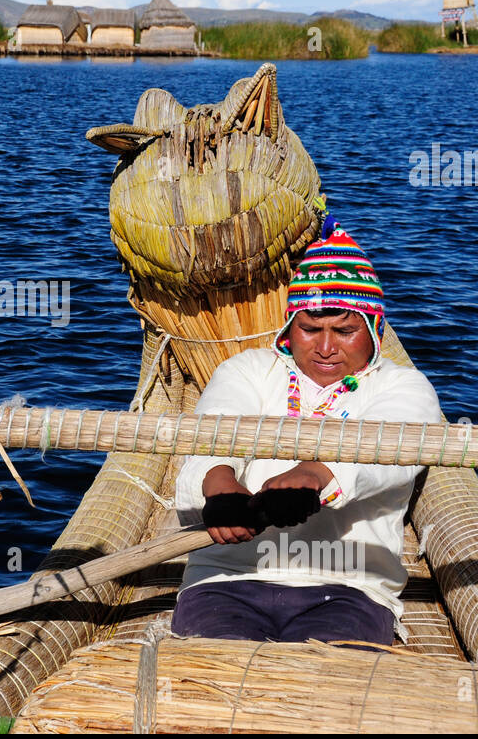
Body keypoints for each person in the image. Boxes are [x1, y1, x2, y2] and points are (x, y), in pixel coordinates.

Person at [170, 221, 442, 648]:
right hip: (226, 578)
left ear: (373, 330)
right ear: (289, 328)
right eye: (311, 329)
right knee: (214, 677)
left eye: (345, 331)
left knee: (326, 692)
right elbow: (215, 431)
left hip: (349, 587)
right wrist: (217, 481)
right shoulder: (249, 370)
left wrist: (317, 475)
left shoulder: (403, 387)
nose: (326, 347)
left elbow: (392, 451)